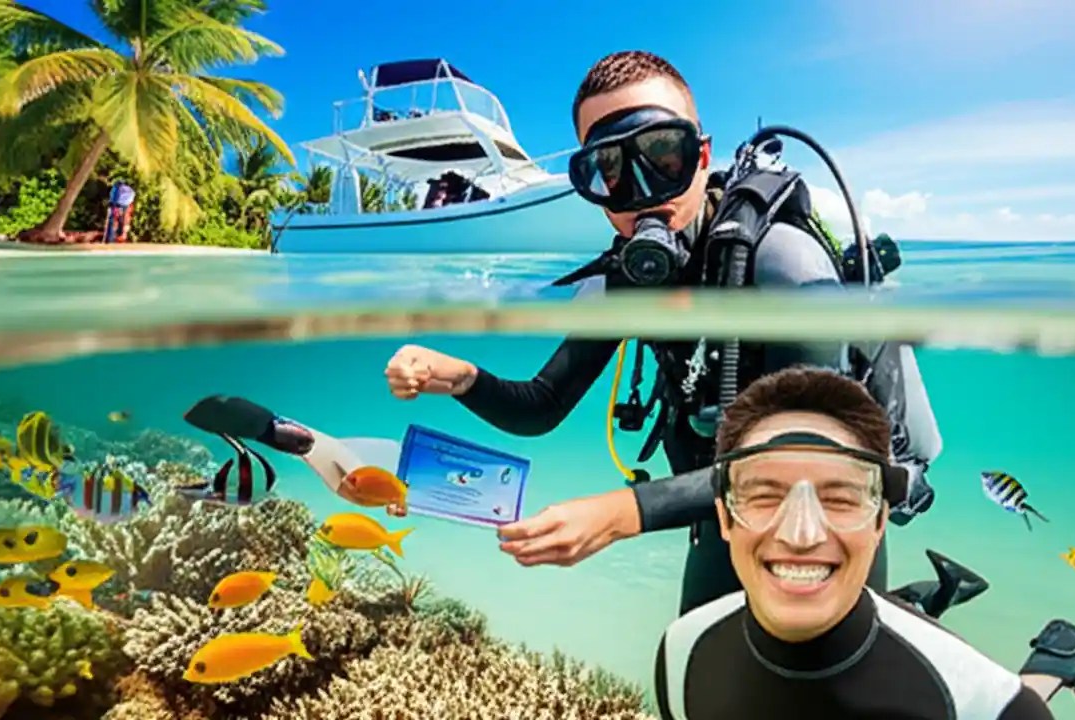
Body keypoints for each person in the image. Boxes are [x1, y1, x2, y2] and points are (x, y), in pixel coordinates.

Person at [384, 49, 941, 615]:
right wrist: (460, 378)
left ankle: (932, 614)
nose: (642, 192)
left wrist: (620, 514)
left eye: (662, 155)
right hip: (720, 516)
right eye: (610, 170)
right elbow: (542, 406)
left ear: (701, 157)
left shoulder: (785, 266)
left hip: (826, 521)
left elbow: (799, 463)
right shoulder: (629, 282)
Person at [654, 366, 1053, 720]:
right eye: (764, 495)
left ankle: (1059, 659)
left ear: (881, 521)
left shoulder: (997, 708)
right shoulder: (679, 654)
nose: (801, 534)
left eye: (840, 498)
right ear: (724, 518)